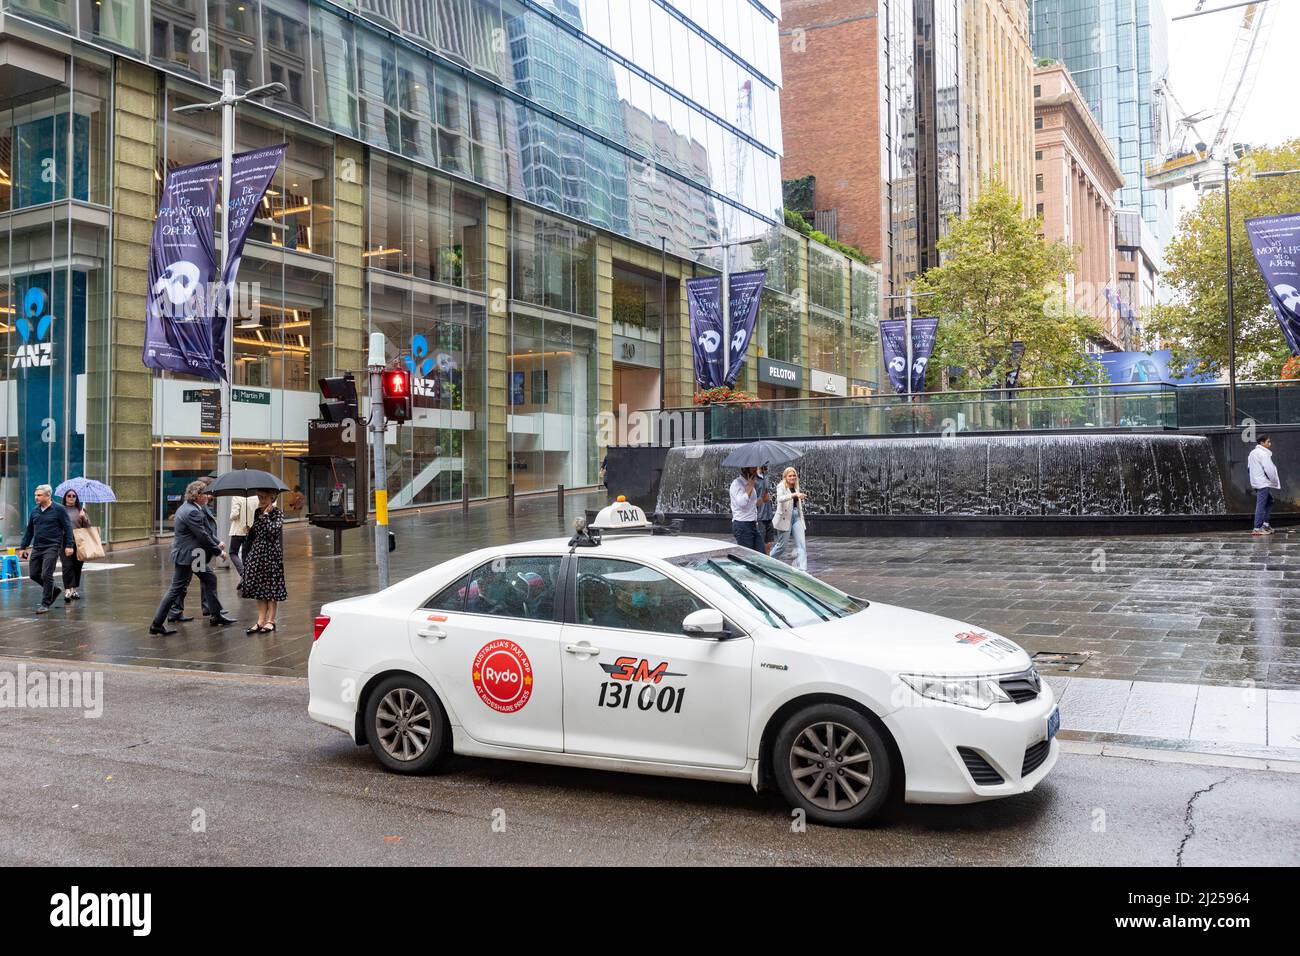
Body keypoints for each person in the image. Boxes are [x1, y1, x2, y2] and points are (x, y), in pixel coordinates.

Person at [149, 481, 236, 635]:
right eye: (205, 494)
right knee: (176, 589)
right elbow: (202, 535)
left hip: (192, 555)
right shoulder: (192, 512)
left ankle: (215, 615)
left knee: (209, 579)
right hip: (189, 556)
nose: (208, 496)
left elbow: (205, 531)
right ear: (197, 496)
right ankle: (157, 624)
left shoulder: (188, 508)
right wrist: (219, 552)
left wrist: (217, 542)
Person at [18, 484, 75, 614]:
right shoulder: (35, 511)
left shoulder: (59, 509)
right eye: (35, 495)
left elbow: (67, 528)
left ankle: (45, 603)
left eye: (39, 495)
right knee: (33, 574)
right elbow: (29, 531)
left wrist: (69, 545)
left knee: (46, 574)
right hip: (37, 547)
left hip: (52, 546)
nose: (36, 498)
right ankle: (54, 590)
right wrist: (23, 547)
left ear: (48, 495)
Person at [241, 491, 287, 634]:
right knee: (259, 587)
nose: (261, 500)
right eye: (259, 497)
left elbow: (273, 531)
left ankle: (271, 621)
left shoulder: (278, 513)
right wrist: (250, 531)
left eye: (264, 497)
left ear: (272, 498)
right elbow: (257, 532)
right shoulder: (257, 512)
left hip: (271, 553)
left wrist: (266, 516)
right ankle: (261, 620)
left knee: (271, 587)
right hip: (258, 552)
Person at [771, 466, 809, 571]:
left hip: (797, 516)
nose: (792, 478)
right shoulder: (781, 486)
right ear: (785, 477)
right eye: (790, 476)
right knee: (781, 546)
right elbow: (780, 499)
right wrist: (793, 495)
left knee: (801, 544)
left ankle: (802, 569)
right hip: (785, 518)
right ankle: (768, 560)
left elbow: (796, 505)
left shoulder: (796, 486)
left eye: (794, 476)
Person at [60, 489, 91, 601]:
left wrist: (84, 517)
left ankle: (74, 590)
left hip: (79, 541)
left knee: (77, 566)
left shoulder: (81, 510)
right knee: (67, 565)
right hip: (64, 541)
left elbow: (88, 527)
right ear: (65, 497)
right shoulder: (60, 510)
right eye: (69, 495)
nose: (71, 497)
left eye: (74, 496)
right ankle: (68, 590)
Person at [728, 467, 768, 552]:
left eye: (755, 469)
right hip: (742, 525)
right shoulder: (737, 483)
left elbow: (751, 503)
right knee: (748, 558)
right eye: (753, 470)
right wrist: (750, 487)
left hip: (752, 523)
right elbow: (742, 503)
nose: (756, 472)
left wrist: (762, 500)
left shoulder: (750, 483)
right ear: (745, 469)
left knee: (761, 554)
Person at [1248, 434, 1280, 536]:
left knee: (1270, 501)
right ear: (1262, 443)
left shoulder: (1252, 453)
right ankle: (1257, 528)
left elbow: (1248, 468)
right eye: (1268, 442)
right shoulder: (1263, 454)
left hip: (1257, 482)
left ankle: (1265, 524)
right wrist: (1273, 480)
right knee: (1261, 505)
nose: (1270, 443)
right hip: (1263, 483)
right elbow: (1269, 469)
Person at [227, 493, 258, 576]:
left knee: (233, 553)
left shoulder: (237, 496)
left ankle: (243, 573)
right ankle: (246, 578)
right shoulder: (256, 497)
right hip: (251, 531)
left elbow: (234, 514)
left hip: (238, 530)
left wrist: (230, 516)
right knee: (246, 555)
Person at [756, 464, 777, 555]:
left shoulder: (766, 476)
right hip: (759, 515)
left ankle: (768, 561)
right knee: (761, 543)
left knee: (768, 543)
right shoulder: (753, 479)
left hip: (768, 514)